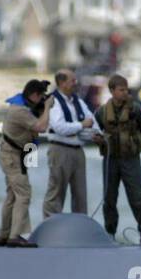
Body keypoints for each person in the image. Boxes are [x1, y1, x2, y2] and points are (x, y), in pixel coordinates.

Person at [94, 74, 141, 245]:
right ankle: (110, 233)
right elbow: (95, 130)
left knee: (138, 197)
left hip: (130, 159)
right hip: (110, 159)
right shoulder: (102, 112)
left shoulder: (136, 110)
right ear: (112, 91)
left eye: (126, 89)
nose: (124, 92)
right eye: (121, 90)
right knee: (109, 198)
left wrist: (135, 145)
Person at [0, 79, 52, 247]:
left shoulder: (25, 106)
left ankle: (4, 234)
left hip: (20, 152)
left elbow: (31, 138)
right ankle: (15, 236)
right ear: (34, 95)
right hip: (12, 156)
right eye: (41, 96)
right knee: (24, 193)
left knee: (12, 195)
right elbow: (41, 128)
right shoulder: (19, 110)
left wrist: (30, 160)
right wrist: (48, 107)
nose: (43, 99)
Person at [43, 67, 101, 218]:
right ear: (62, 83)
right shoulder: (53, 102)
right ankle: (50, 226)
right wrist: (81, 125)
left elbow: (91, 120)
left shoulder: (78, 101)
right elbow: (59, 127)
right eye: (72, 81)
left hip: (78, 150)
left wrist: (96, 134)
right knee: (56, 191)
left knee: (80, 193)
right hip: (60, 150)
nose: (76, 83)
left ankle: (80, 225)